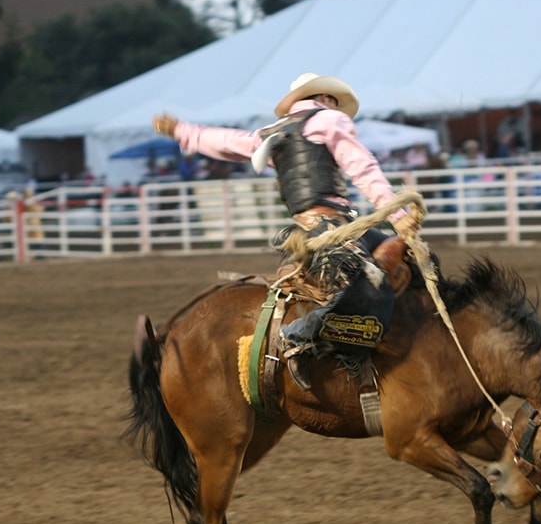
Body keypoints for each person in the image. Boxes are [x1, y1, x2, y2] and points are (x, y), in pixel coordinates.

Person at [152, 72, 420, 389]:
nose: (334, 107)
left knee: (393, 259)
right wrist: (396, 212)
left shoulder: (274, 132)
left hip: (313, 226)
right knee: (375, 275)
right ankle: (302, 333)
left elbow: (227, 143)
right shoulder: (329, 120)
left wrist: (182, 130)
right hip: (330, 225)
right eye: (333, 101)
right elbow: (361, 164)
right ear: (326, 98)